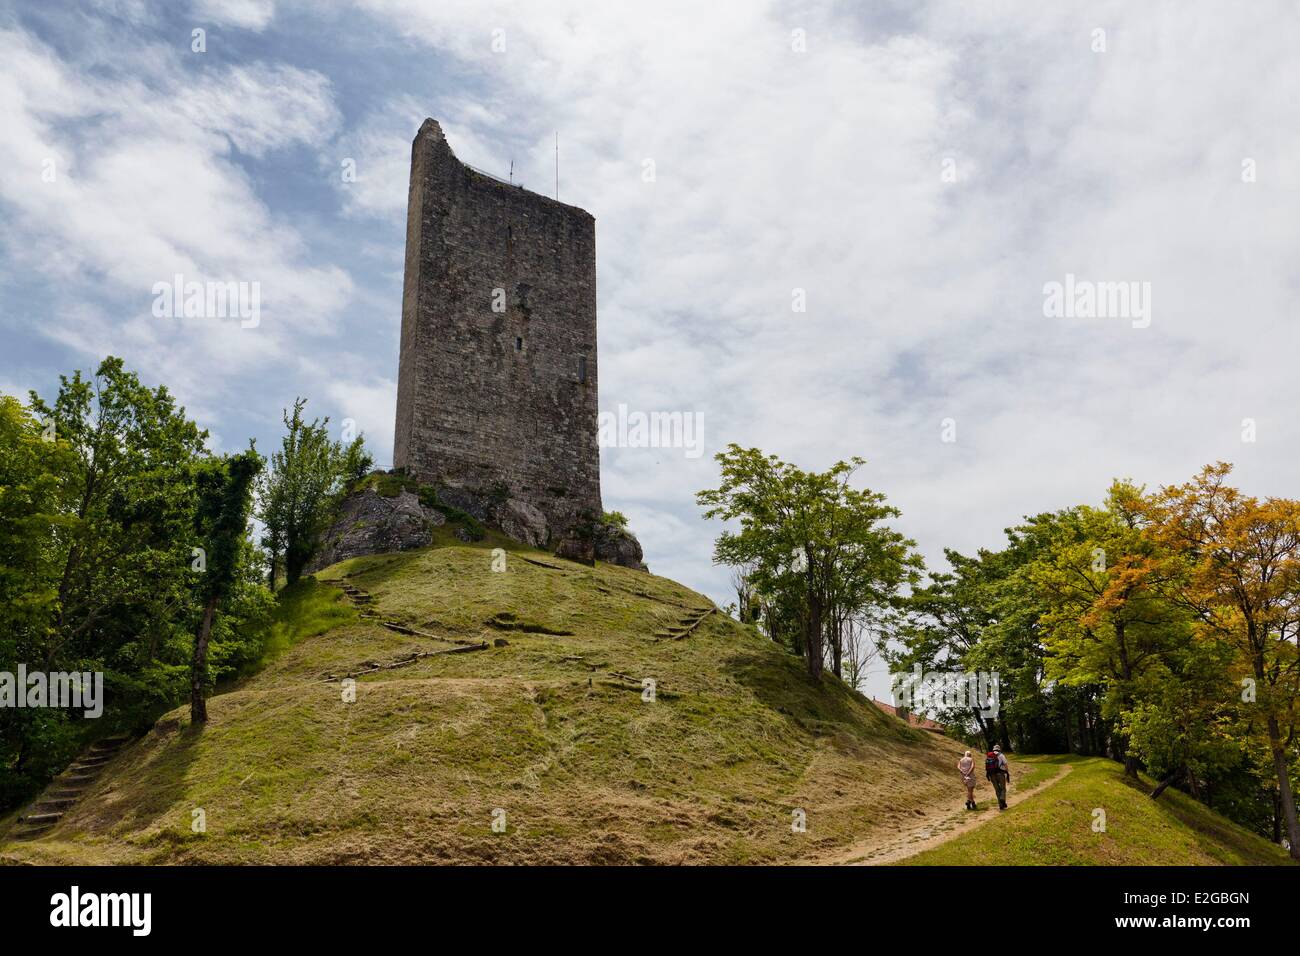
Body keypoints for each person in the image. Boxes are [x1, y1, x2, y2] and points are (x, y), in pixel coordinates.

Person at [985, 744, 1011, 810]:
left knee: (997, 790)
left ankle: (1000, 805)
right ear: (999, 749)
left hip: (992, 775)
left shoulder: (989, 755)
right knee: (1003, 788)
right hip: (1000, 774)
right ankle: (1002, 798)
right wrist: (1007, 772)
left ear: (993, 749)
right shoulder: (1001, 755)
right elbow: (1005, 764)